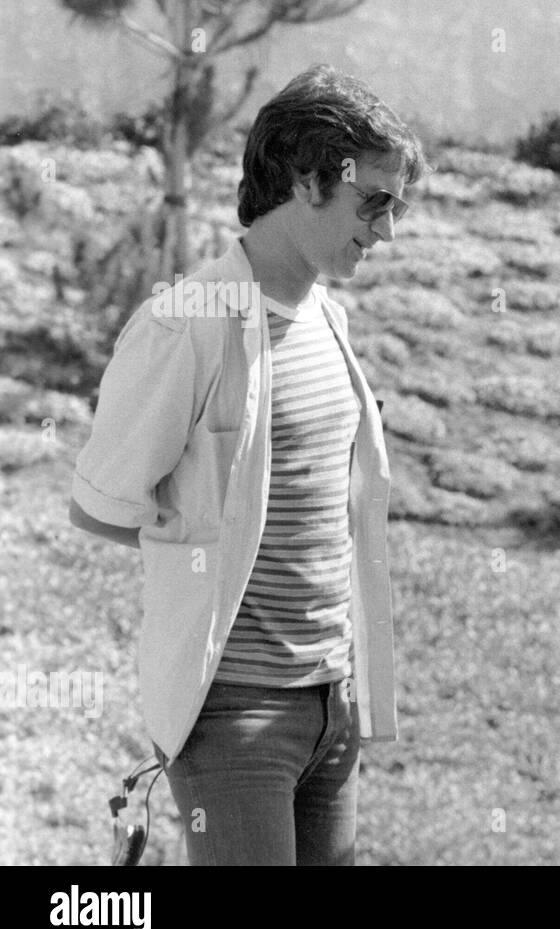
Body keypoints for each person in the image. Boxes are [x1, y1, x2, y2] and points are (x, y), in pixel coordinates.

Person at [68, 65, 427, 865]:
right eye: (375, 200)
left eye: (398, 206)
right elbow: (99, 505)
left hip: (333, 707)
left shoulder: (328, 319)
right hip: (234, 714)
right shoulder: (184, 324)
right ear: (306, 179)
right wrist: (212, 548)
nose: (388, 229)